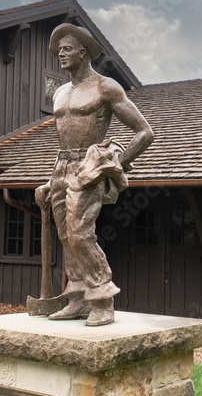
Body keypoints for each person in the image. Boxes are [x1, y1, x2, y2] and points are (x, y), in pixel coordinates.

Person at [35, 23, 154, 326]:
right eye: (58, 50)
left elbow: (144, 132)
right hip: (61, 167)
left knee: (79, 233)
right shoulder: (60, 93)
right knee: (65, 236)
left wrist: (113, 164)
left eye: (67, 48)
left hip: (88, 168)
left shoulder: (106, 87)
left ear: (83, 52)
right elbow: (64, 139)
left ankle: (102, 298)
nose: (61, 54)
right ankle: (77, 298)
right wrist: (50, 181)